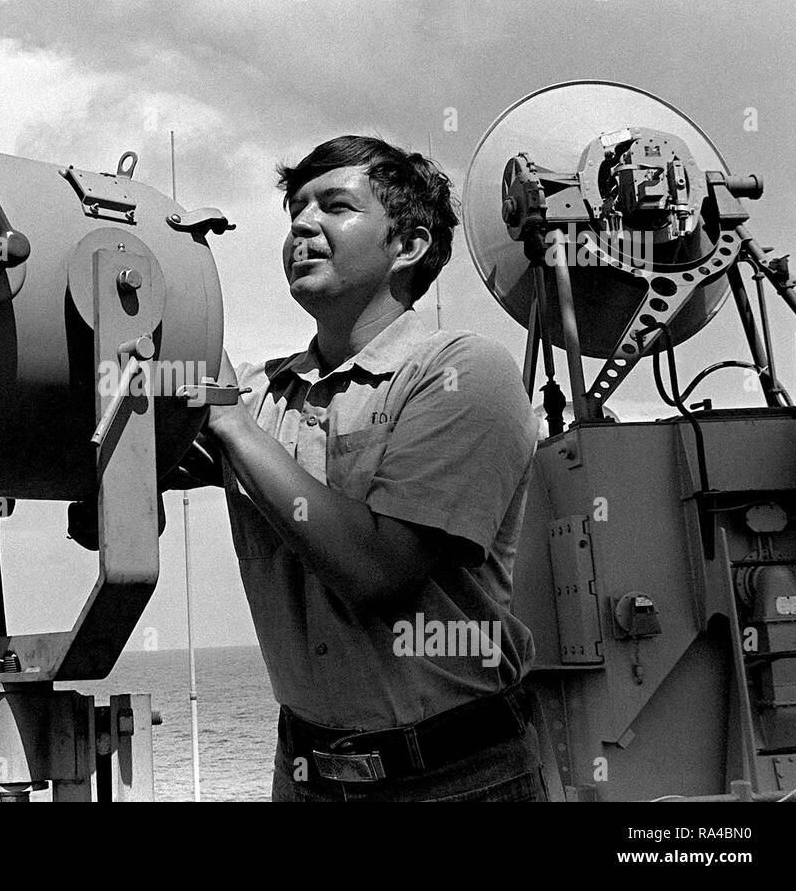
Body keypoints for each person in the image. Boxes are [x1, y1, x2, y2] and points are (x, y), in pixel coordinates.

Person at [180, 135, 546, 801]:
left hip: (456, 778)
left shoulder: (465, 373)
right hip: (307, 772)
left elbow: (377, 571)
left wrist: (230, 421)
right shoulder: (263, 392)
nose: (302, 224)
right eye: (295, 209)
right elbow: (130, 456)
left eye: (335, 206)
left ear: (406, 245)